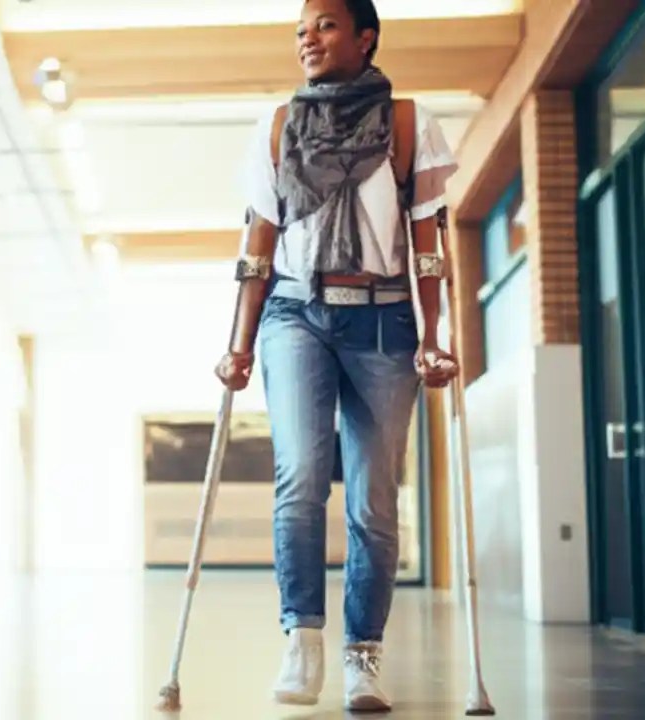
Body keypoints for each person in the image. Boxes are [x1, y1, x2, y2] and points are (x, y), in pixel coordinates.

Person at [214, 0, 459, 712]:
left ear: (365, 36)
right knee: (300, 477)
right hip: (296, 314)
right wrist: (237, 345)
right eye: (300, 30)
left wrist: (436, 336)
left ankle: (363, 656)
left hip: (385, 321)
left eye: (323, 24)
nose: (307, 38)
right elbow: (257, 249)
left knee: (374, 500)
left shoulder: (410, 124)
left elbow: (428, 251)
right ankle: (303, 638)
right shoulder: (279, 127)